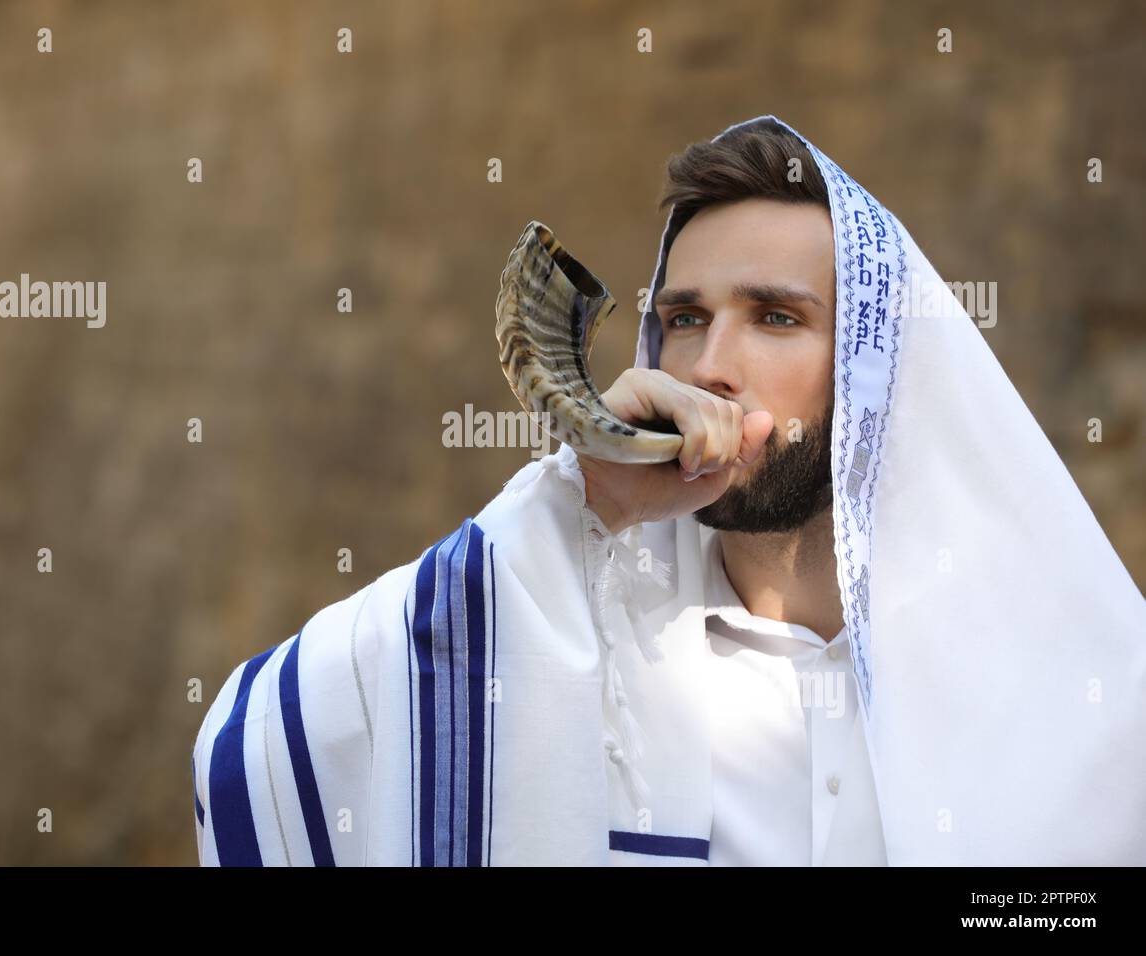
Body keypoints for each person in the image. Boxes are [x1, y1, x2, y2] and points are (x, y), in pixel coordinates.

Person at [191, 115, 1146, 866]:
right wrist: (581, 504)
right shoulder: (575, 633)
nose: (714, 365)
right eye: (685, 320)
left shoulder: (1051, 677)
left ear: (874, 368)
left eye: (776, 317)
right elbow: (259, 748)